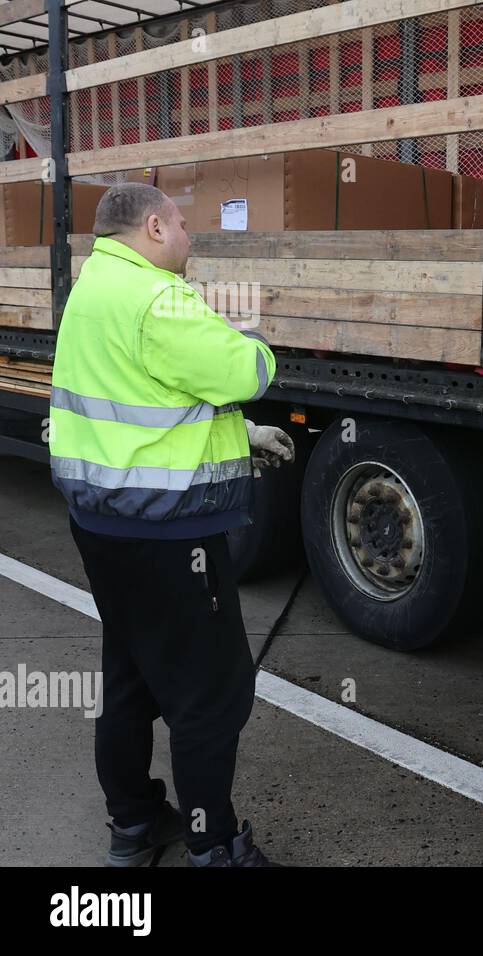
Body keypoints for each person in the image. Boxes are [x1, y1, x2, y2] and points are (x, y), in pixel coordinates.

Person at [49, 182, 294, 867]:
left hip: (104, 523)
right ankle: (213, 843)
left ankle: (132, 824)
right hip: (168, 534)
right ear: (154, 227)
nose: (190, 238)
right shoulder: (158, 297)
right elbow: (244, 369)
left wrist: (238, 434)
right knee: (211, 697)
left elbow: (146, 396)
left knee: (130, 676)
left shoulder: (94, 286)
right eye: (183, 225)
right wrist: (252, 344)